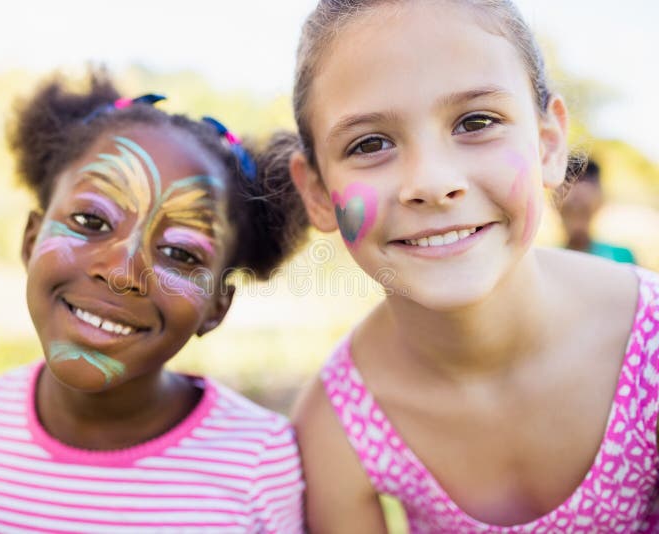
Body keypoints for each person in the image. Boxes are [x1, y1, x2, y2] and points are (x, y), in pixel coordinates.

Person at [274, 1, 659, 532]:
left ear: (548, 143)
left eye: (477, 122)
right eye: (370, 143)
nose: (431, 182)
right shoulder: (335, 426)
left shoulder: (650, 345)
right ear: (317, 191)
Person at [0, 70, 307, 533]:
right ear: (31, 240)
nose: (122, 272)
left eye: (180, 253)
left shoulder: (257, 461)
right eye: (90, 221)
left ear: (217, 306)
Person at [559, 158, 636, 263]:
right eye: (571, 211)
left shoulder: (622, 258)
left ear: (600, 201)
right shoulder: (542, 260)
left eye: (583, 212)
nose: (578, 195)